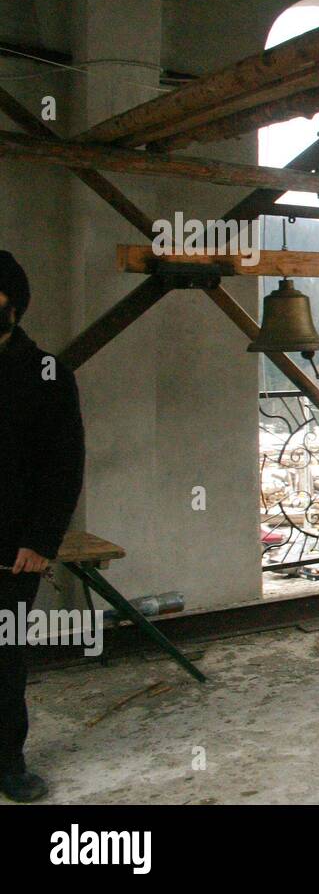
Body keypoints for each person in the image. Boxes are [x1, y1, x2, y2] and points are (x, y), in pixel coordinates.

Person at [0, 250, 85, 802]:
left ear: (13, 304)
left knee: (3, 658)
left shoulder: (48, 374)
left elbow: (64, 465)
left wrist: (40, 540)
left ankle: (7, 761)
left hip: (13, 546)